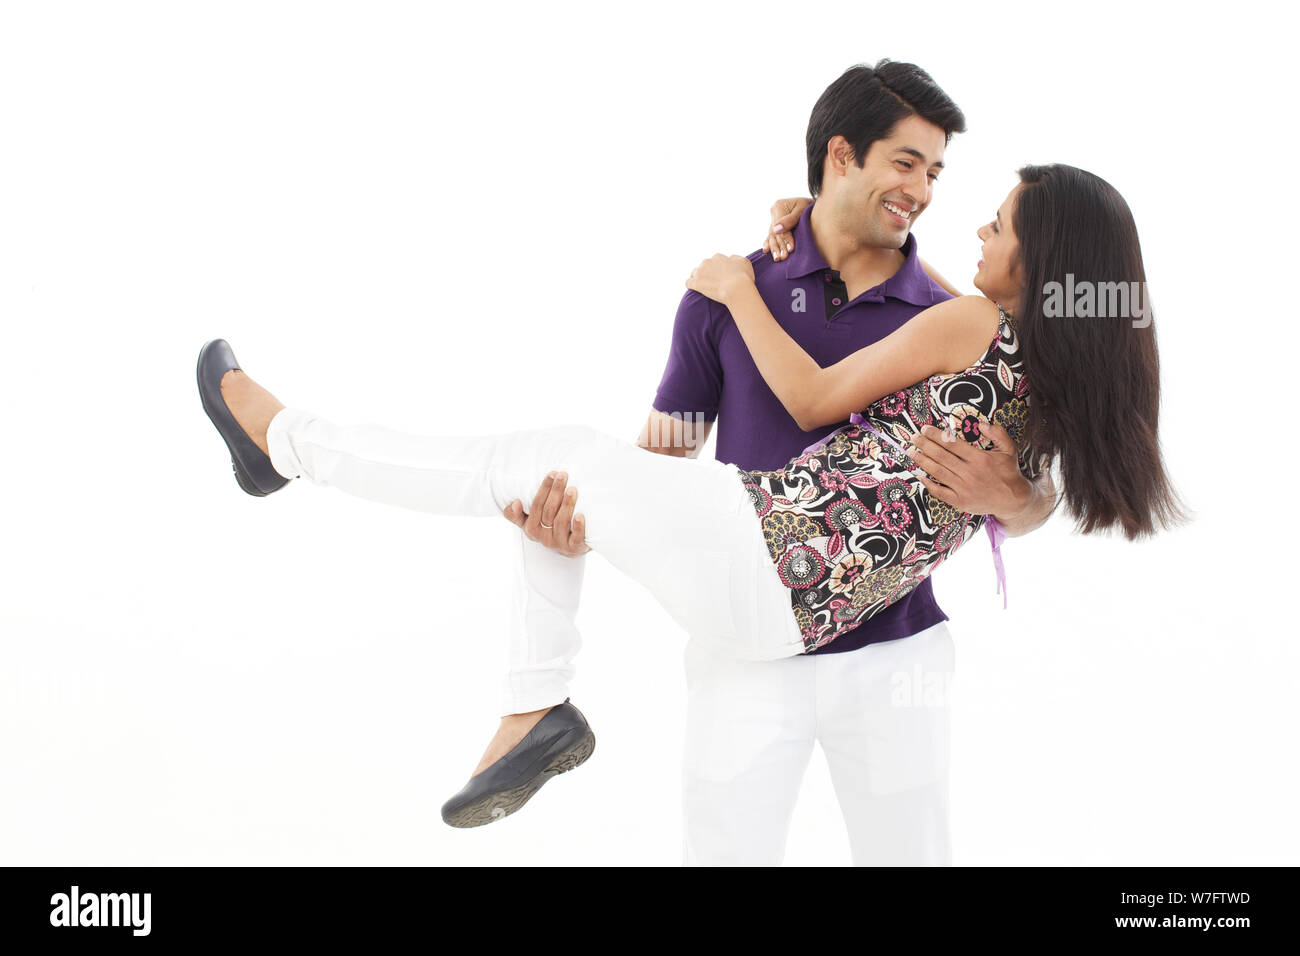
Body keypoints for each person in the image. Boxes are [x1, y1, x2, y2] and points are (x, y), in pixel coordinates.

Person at [198, 162, 1185, 847]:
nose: (976, 227)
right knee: (549, 488)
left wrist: (736, 288)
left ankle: (282, 445)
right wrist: (1021, 500)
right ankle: (533, 705)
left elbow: (809, 397)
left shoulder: (972, 323)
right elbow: (1035, 490)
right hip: (789, 594)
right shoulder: (1071, 378)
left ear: (1043, 252)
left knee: (542, 455)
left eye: (999, 222)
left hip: (767, 550)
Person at [498, 60, 1055, 866]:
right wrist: (590, 513)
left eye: (934, 172)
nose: (925, 190)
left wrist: (1023, 499)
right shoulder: (726, 294)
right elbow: (667, 451)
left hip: (896, 653)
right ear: (841, 155)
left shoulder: (954, 317)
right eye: (906, 163)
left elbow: (1040, 484)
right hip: (747, 653)